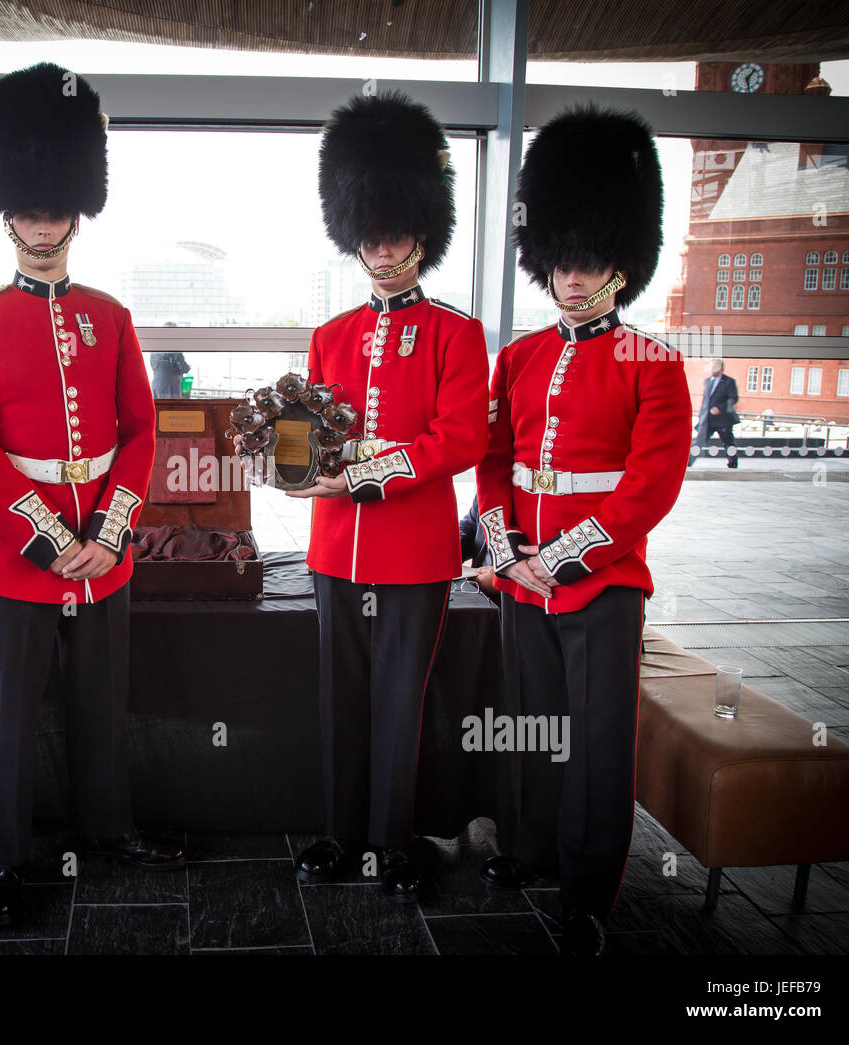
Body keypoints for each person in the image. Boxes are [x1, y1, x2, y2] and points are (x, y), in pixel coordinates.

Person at [0, 63, 184, 928]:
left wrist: (112, 532)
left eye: (55, 208)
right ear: (6, 211)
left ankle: (106, 827)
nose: (43, 224)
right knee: (10, 718)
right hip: (22, 553)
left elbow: (139, 432)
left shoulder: (111, 316)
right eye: (30, 209)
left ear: (77, 211)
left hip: (104, 552)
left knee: (99, 706)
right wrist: (47, 536)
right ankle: (7, 856)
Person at [474, 105, 691, 955]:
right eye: (561, 259)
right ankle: (528, 849)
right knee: (531, 720)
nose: (572, 276)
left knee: (598, 744)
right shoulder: (522, 357)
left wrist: (561, 559)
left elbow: (648, 490)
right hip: (520, 570)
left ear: (622, 264)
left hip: (599, 582)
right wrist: (502, 547)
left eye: (590, 260)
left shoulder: (654, 360)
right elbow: (494, 461)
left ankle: (589, 888)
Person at [287, 92, 489, 903]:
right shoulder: (331, 335)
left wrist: (369, 473)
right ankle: (341, 835)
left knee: (401, 705)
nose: (383, 245)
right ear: (354, 236)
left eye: (397, 230)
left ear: (422, 234)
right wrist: (293, 463)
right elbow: (306, 440)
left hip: (415, 554)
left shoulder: (455, 333)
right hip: (338, 548)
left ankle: (391, 841)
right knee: (342, 704)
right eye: (370, 232)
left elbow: (460, 439)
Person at [689, 358, 739, 467]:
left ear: (721, 368)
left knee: (728, 443)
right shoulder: (707, 381)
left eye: (714, 366)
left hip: (723, 420)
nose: (712, 369)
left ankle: (733, 464)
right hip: (708, 420)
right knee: (698, 441)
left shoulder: (729, 382)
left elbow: (733, 398)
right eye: (711, 366)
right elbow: (706, 400)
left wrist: (720, 408)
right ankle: (688, 463)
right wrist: (701, 416)